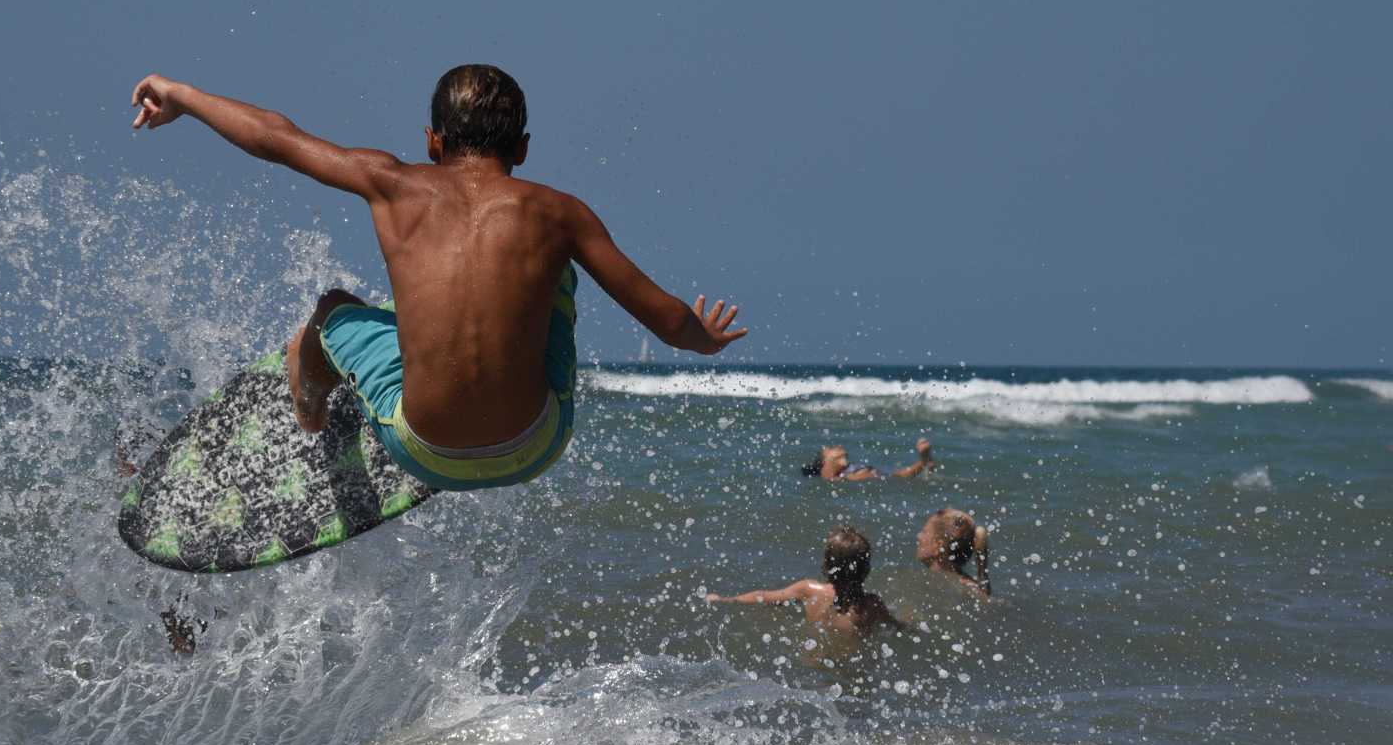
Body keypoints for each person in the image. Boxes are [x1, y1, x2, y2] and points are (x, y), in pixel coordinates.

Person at [130, 66, 746, 491]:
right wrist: (707, 338)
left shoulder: (391, 184)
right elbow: (670, 325)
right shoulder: (559, 211)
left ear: (432, 141)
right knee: (550, 271)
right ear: (524, 148)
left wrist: (180, 94)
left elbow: (274, 138)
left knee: (334, 310)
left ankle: (311, 402)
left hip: (423, 450)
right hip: (535, 446)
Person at [705, 525, 900, 636]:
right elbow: (895, 627)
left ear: (827, 565)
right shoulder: (871, 604)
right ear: (865, 569)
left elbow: (762, 596)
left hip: (814, 659)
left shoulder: (809, 590)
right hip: (851, 667)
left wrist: (725, 599)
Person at [916, 508, 990, 597]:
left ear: (938, 545)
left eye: (924, 532)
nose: (919, 536)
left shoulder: (934, 585)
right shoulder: (972, 588)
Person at [801, 438, 936, 481]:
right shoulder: (833, 478)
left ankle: (924, 461)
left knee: (900, 475)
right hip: (876, 478)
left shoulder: (849, 471)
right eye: (832, 448)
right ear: (825, 461)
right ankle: (924, 461)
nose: (839, 445)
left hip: (880, 476)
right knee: (900, 476)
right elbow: (827, 476)